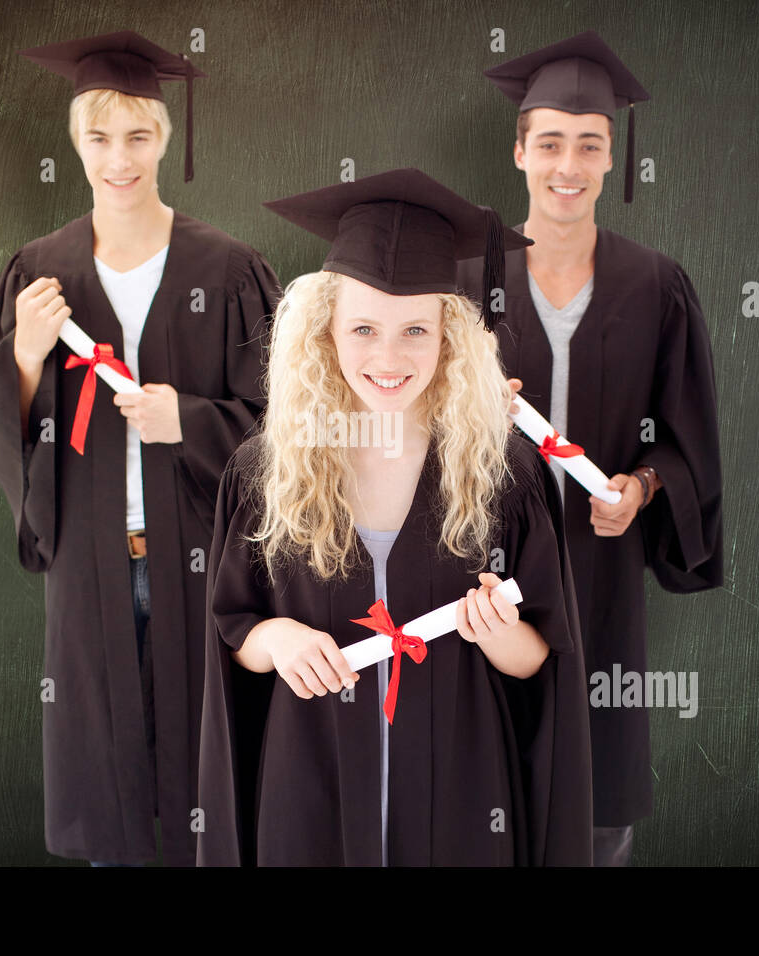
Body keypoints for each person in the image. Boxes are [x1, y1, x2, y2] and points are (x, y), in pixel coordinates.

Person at [196, 168, 593, 866]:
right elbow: (236, 632)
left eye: (416, 328)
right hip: (310, 785)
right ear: (324, 333)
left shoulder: (505, 474)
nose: (388, 356)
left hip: (462, 796)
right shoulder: (269, 471)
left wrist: (499, 633)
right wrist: (279, 638)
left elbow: (541, 659)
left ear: (450, 337)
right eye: (363, 329)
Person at [0, 30, 279, 866]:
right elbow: (0, 424)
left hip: (205, 564)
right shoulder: (41, 273)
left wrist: (194, 421)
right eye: (100, 137)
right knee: (108, 789)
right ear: (76, 144)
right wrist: (27, 356)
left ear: (164, 142)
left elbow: (289, 432)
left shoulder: (232, 267)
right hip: (93, 566)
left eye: (138, 136)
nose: (120, 157)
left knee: (206, 781)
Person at [459, 31, 724, 865]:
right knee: (481, 792)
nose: (567, 165)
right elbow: (399, 427)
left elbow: (687, 442)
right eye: (549, 144)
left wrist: (640, 490)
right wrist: (467, 412)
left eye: (589, 145)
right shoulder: (467, 277)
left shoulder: (656, 285)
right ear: (518, 152)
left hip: (603, 582)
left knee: (600, 817)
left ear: (613, 160)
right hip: (482, 575)